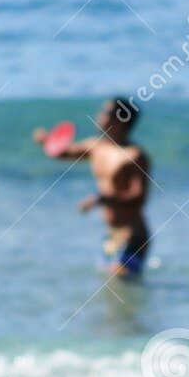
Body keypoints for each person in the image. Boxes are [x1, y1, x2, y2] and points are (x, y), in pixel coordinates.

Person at [33, 98, 151, 279]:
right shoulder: (95, 146)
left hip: (133, 237)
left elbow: (139, 198)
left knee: (121, 288)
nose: (98, 116)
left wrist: (101, 199)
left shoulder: (134, 155)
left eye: (105, 113)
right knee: (114, 294)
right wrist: (46, 140)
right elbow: (64, 153)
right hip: (111, 236)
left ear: (121, 119)